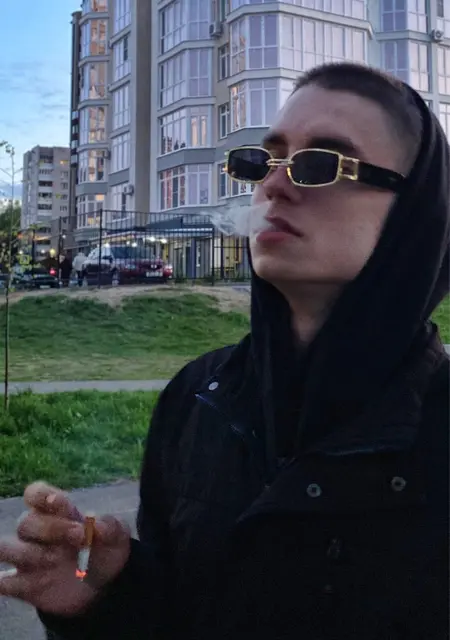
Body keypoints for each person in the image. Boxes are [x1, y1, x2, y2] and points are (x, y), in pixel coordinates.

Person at [0, 63, 448, 640]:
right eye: (262, 162)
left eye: (321, 164)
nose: (272, 186)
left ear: (413, 211)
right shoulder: (196, 397)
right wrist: (108, 599)